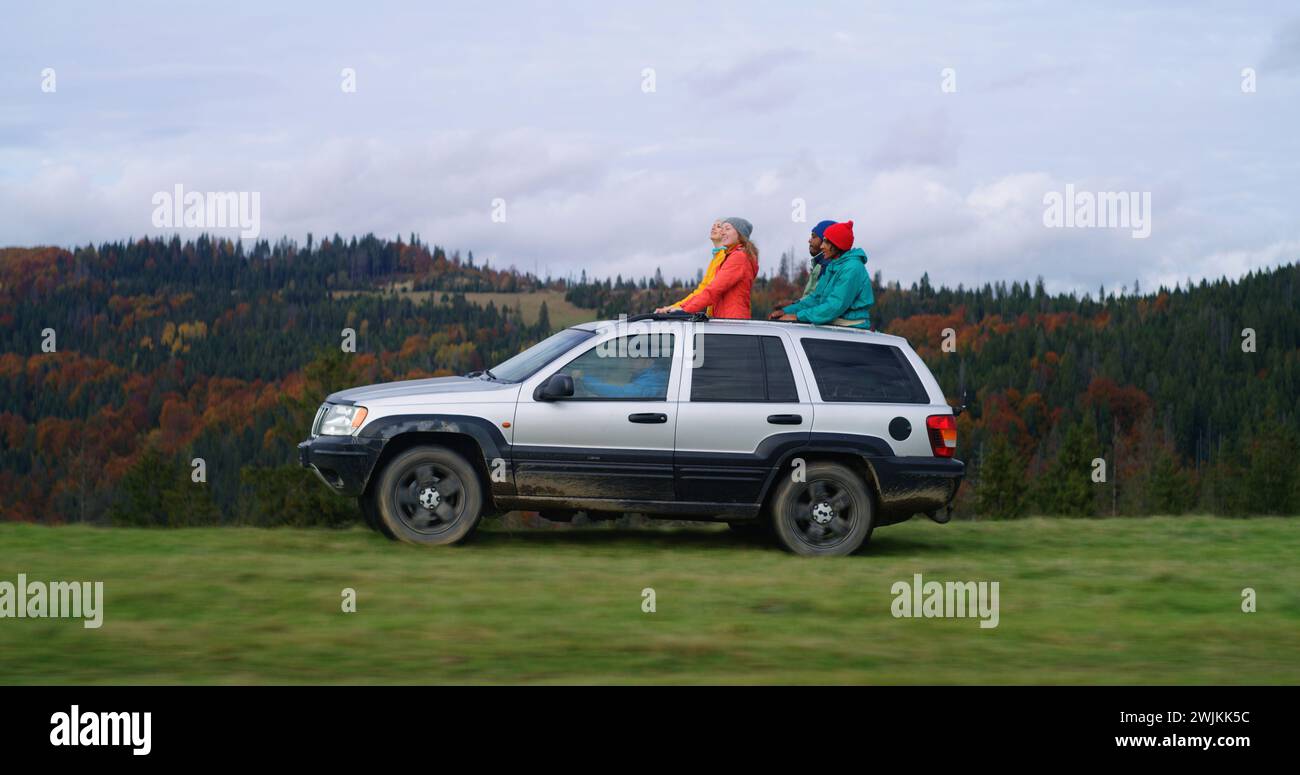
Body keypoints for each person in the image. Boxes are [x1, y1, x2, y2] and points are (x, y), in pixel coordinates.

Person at [769, 220, 872, 328]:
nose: (822, 246)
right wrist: (786, 311)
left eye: (826, 242)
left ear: (837, 244)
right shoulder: (833, 265)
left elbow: (834, 306)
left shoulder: (852, 269)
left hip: (850, 328)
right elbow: (816, 298)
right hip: (836, 324)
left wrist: (798, 317)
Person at [667, 217, 758, 319]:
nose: (723, 232)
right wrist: (682, 307)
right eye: (722, 229)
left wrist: (686, 310)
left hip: (732, 323)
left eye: (727, 229)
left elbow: (714, 289)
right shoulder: (733, 256)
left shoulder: (738, 258)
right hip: (727, 321)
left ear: (740, 235)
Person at [656, 220, 728, 315]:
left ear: (725, 233)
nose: (713, 228)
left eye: (718, 226)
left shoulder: (725, 257)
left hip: (726, 320)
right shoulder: (715, 259)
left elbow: (709, 292)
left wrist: (682, 309)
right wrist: (675, 306)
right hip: (716, 317)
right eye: (713, 226)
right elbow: (701, 291)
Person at [772, 219, 836, 309]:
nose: (809, 241)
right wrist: (794, 303)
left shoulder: (825, 266)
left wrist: (792, 307)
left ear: (826, 242)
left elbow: (816, 301)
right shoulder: (821, 265)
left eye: (814, 237)